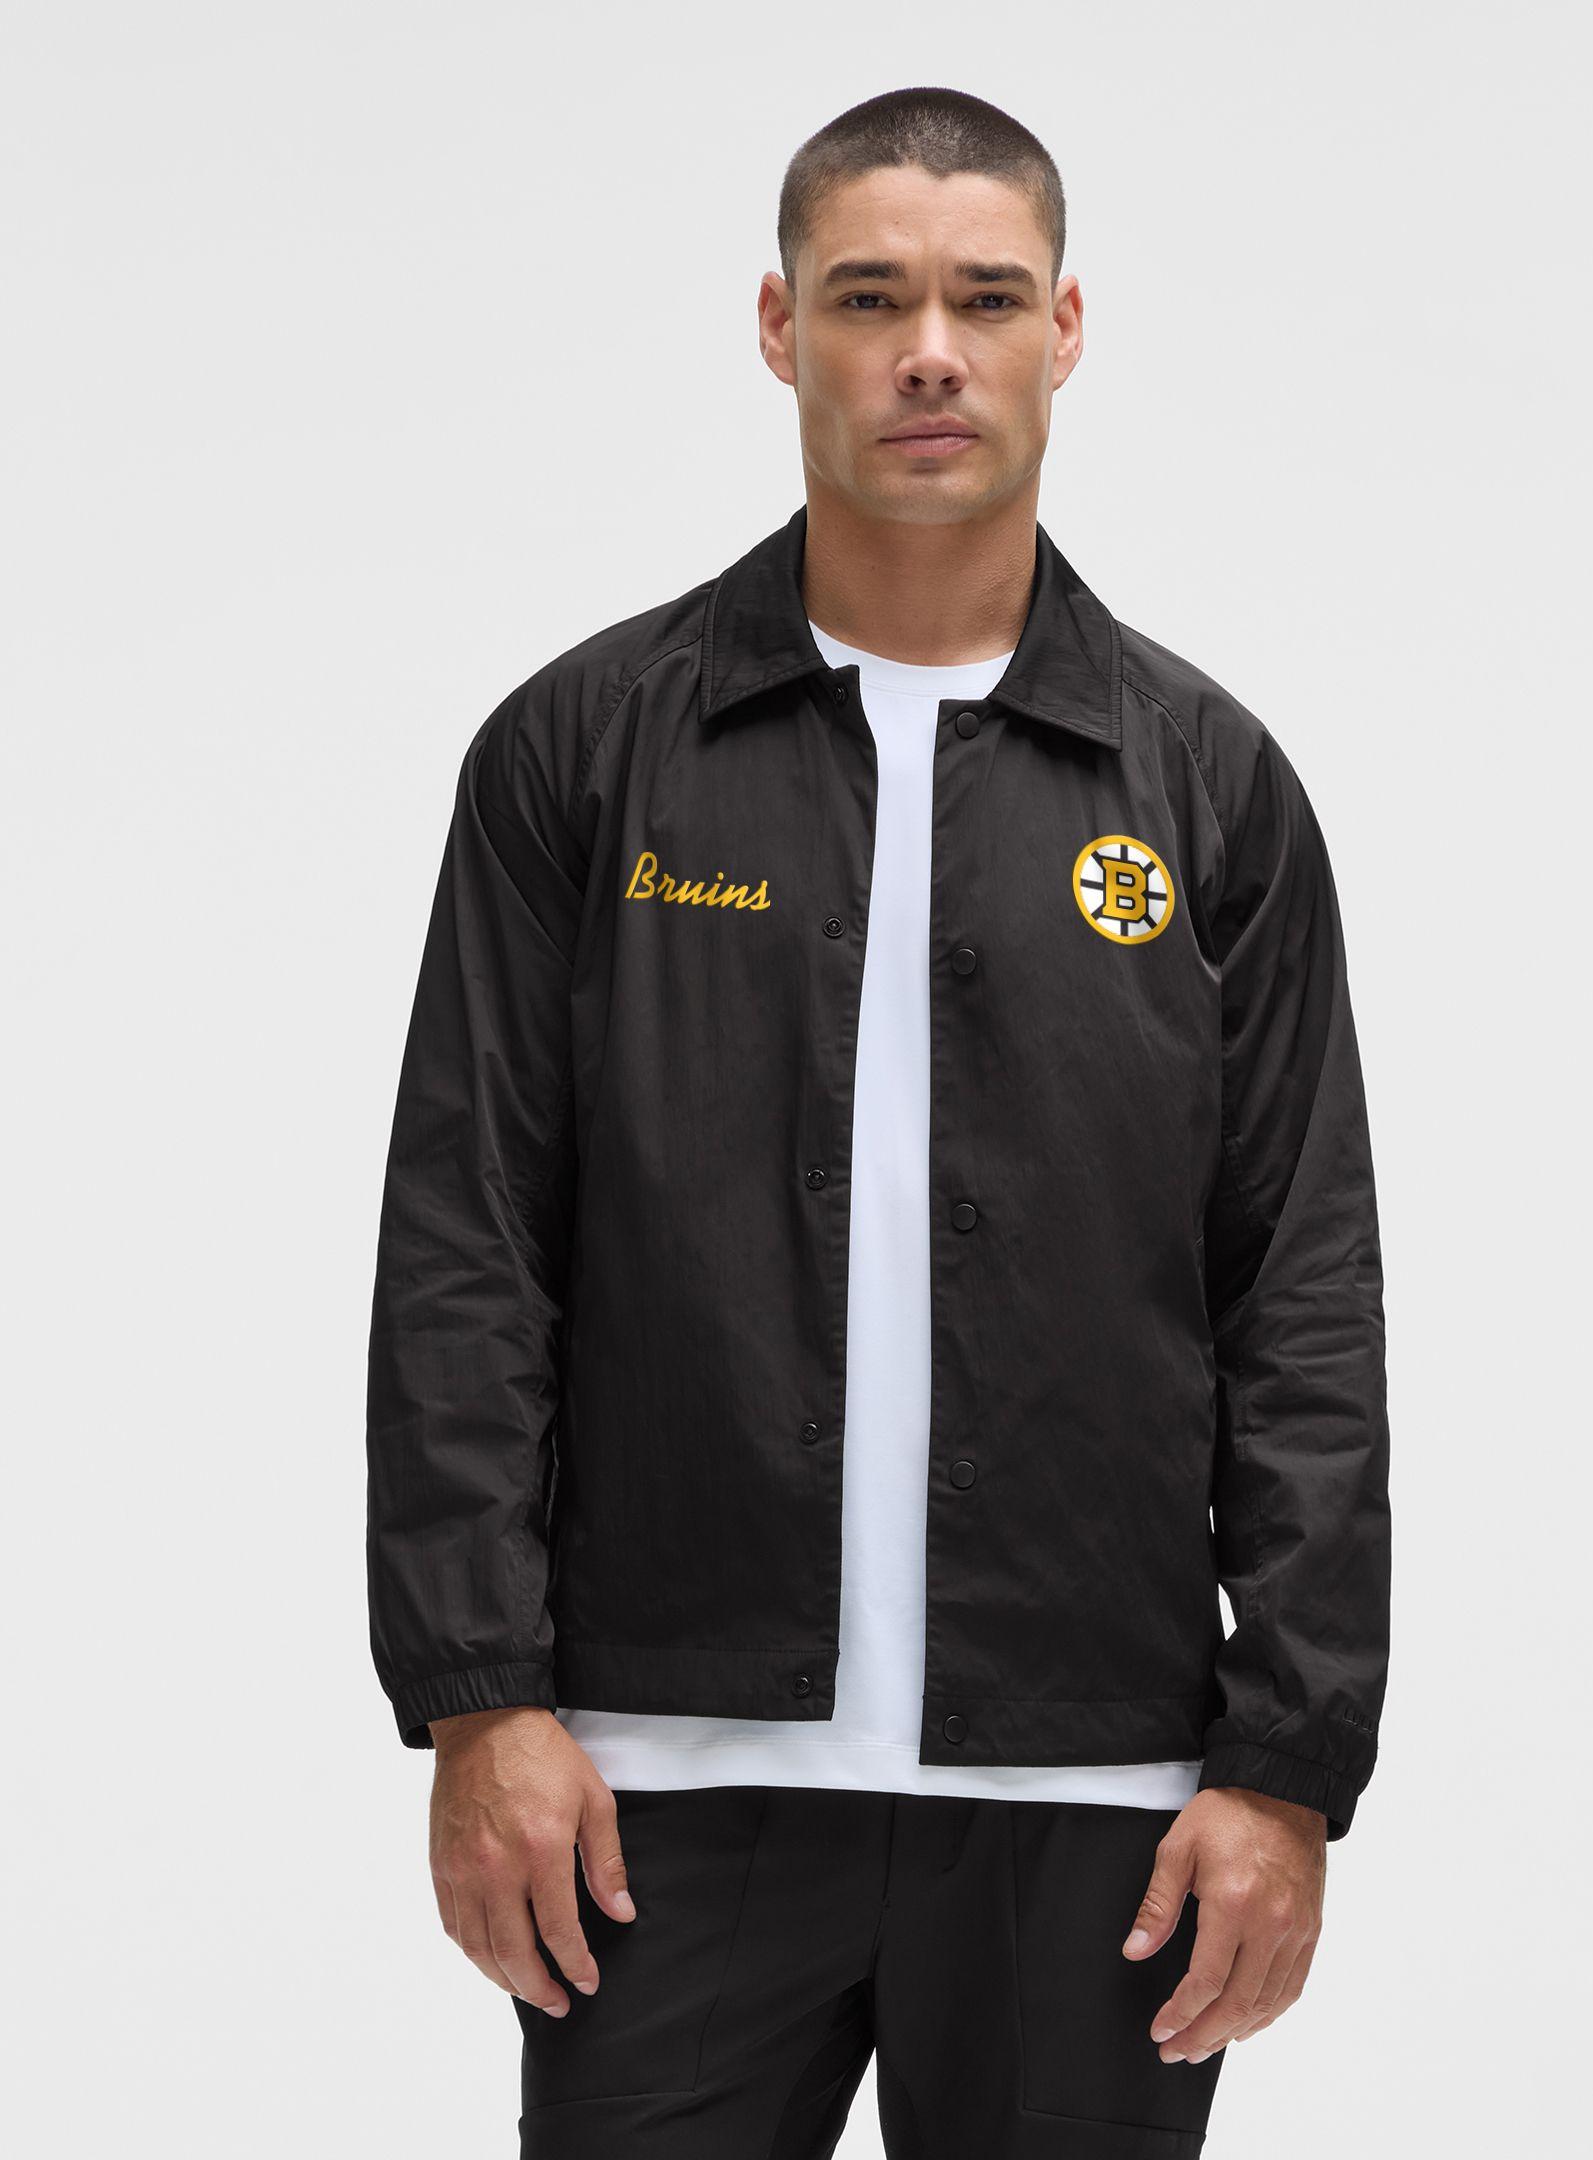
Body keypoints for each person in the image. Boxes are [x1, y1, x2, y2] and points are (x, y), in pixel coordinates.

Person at [365, 83, 1391, 2159]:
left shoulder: (1207, 786)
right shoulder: (587, 753)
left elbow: (1301, 1295)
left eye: (985, 298)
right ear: (780, 327)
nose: (931, 350)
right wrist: (481, 1697)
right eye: (870, 296)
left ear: (1064, 330)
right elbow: (469, 1247)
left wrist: (1289, 1762)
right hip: (658, 1795)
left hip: (1098, 1806)